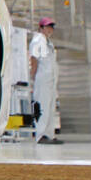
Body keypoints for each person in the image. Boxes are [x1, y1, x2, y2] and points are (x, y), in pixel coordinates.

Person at [30, 16, 62, 144]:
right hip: (42, 79)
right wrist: (33, 76)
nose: (50, 29)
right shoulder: (38, 40)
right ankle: (41, 135)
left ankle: (50, 134)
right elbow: (34, 58)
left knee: (50, 108)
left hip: (51, 81)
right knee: (42, 107)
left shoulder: (49, 42)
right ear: (41, 27)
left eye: (51, 27)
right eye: (47, 27)